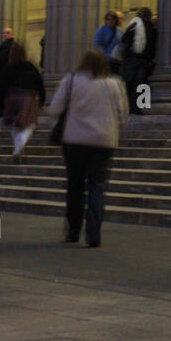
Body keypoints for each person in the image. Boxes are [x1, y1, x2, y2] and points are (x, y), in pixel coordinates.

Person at [47, 50, 128, 248]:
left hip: (74, 140)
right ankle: (94, 235)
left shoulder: (71, 80)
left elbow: (55, 109)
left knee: (75, 185)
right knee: (97, 186)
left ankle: (73, 232)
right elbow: (123, 115)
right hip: (103, 141)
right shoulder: (113, 84)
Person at [0, 42, 46, 162]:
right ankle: (18, 147)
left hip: (11, 97)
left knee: (15, 125)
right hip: (28, 97)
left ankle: (17, 148)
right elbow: (39, 83)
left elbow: (0, 85)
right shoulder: (30, 67)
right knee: (30, 125)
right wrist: (42, 100)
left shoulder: (8, 68)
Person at [120, 7, 157, 113]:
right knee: (143, 85)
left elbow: (124, 41)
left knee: (130, 85)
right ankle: (141, 108)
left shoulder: (133, 26)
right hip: (145, 62)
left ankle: (130, 109)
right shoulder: (152, 28)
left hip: (131, 61)